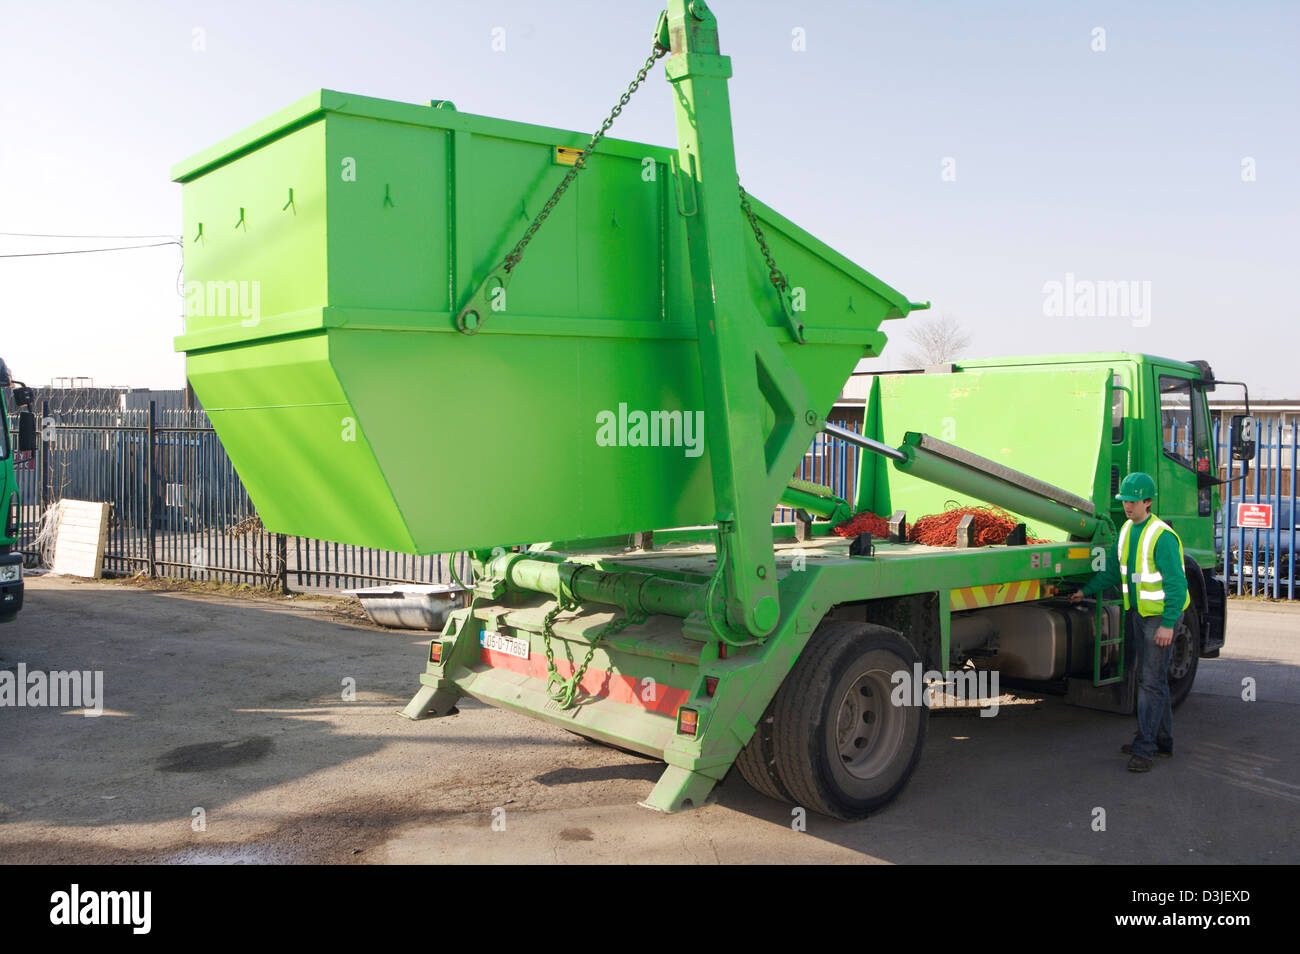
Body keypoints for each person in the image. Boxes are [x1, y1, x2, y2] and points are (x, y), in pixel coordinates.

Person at [1069, 471, 1190, 772]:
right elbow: (1113, 572)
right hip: (1137, 614)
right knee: (1154, 680)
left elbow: (1177, 585)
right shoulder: (1125, 531)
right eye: (1125, 501)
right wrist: (1085, 591)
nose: (1128, 506)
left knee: (1149, 682)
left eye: (1134, 502)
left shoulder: (1161, 536)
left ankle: (1145, 748)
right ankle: (1162, 742)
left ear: (1148, 502)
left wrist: (1168, 623)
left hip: (1159, 618)